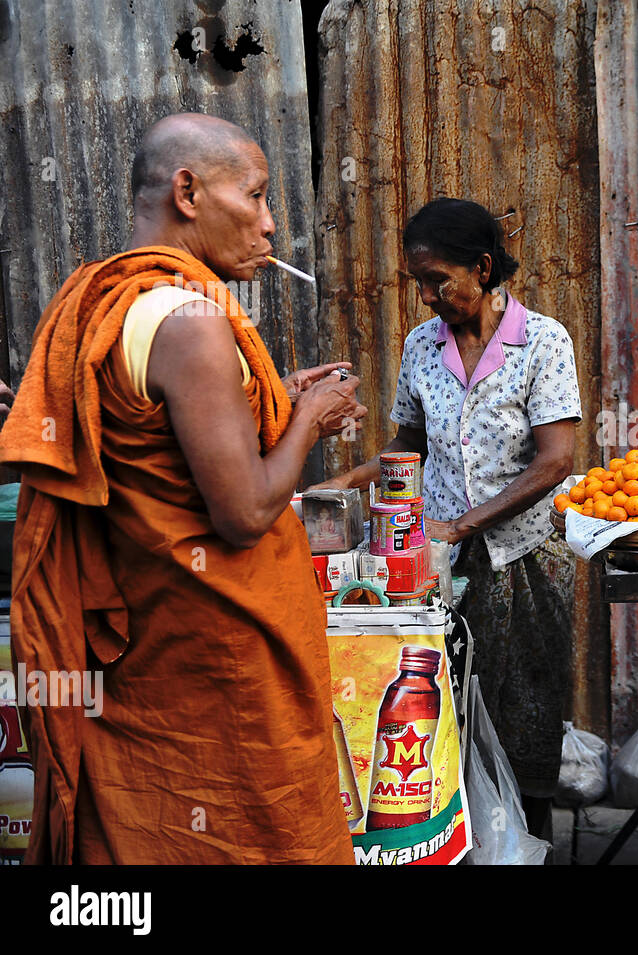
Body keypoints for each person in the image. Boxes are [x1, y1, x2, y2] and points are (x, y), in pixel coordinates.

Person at [0, 113, 366, 864]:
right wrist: (310, 420)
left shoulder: (110, 303)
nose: (269, 226)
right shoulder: (194, 320)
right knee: (247, 836)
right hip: (218, 655)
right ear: (189, 191)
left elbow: (176, 443)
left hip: (147, 642)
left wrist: (279, 405)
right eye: (257, 197)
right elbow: (243, 511)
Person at [317, 198, 580, 840]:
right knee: (444, 706)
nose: (429, 296)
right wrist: (341, 484)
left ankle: (530, 847)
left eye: (440, 281)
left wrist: (461, 525)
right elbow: (408, 446)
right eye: (420, 283)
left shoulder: (542, 340)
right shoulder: (420, 346)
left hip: (524, 559)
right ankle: (457, 841)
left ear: (483, 269)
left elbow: (553, 463)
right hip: (436, 566)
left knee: (526, 716)